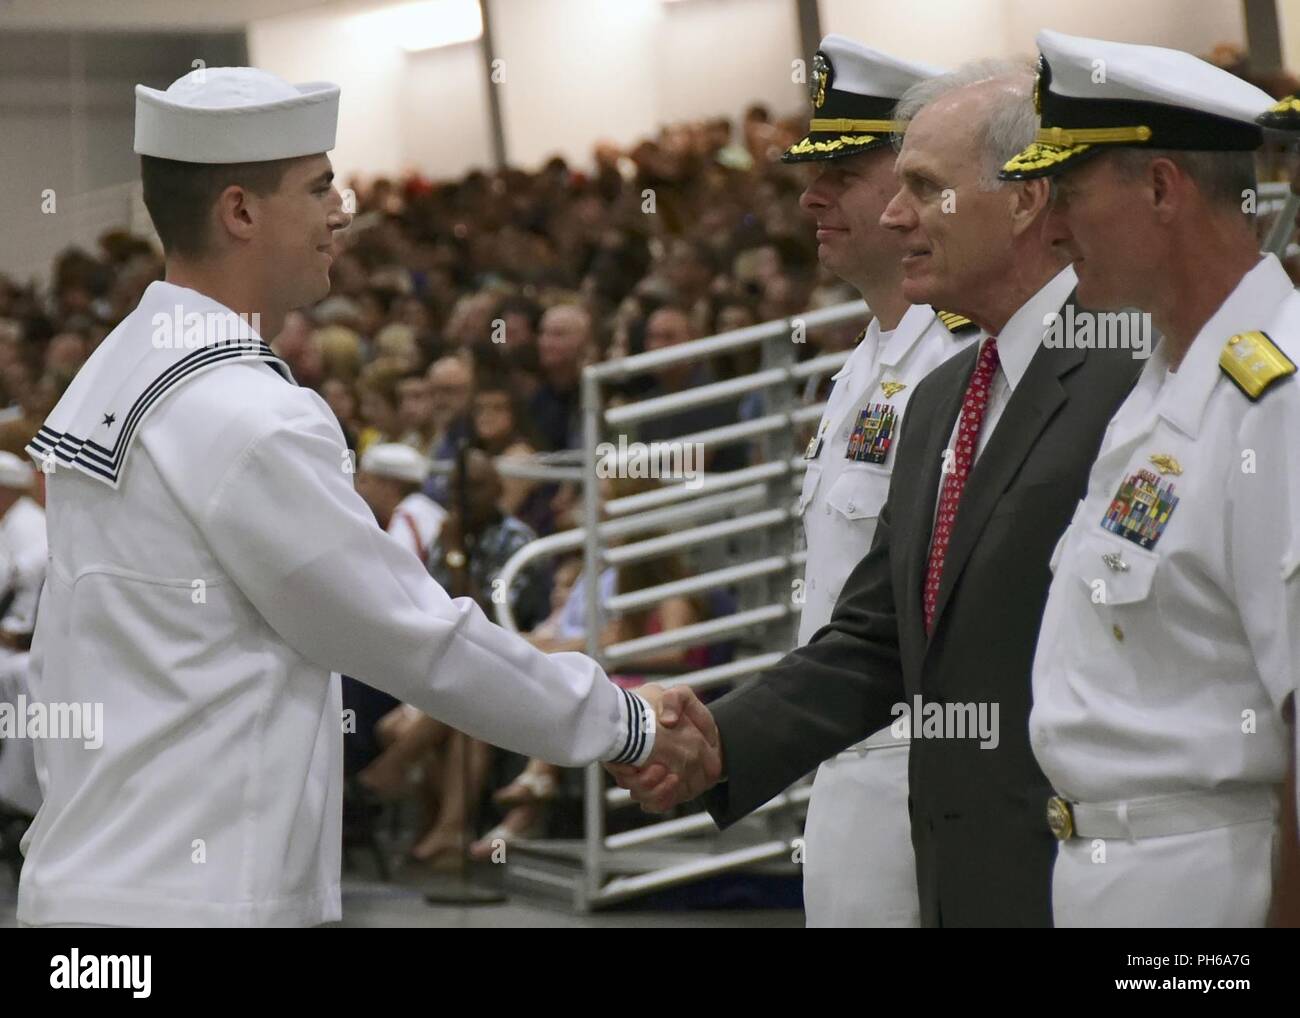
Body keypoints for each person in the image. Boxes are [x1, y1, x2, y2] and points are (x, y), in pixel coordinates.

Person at [20, 66, 717, 927]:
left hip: (87, 890)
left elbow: (59, 663)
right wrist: (623, 723)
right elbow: (410, 635)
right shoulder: (247, 410)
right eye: (317, 188)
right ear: (240, 212)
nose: (341, 211)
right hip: (201, 901)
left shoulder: (116, 369)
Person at [612, 59, 1143, 927]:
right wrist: (721, 743)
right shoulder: (949, 395)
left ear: (1023, 200)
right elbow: (878, 632)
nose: (897, 215)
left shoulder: (1130, 365)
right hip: (956, 859)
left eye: (922, 188)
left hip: (1098, 867)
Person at [998, 31, 1298, 927]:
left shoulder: (1276, 394)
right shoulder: (1163, 385)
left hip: (1215, 891)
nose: (1050, 228)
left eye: (1071, 193)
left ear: (1163, 187)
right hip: (1119, 875)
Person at [779, 35, 980, 928]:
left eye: (844, 169)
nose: (809, 195)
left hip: (924, 766)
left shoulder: (969, 355)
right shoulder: (864, 361)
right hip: (846, 760)